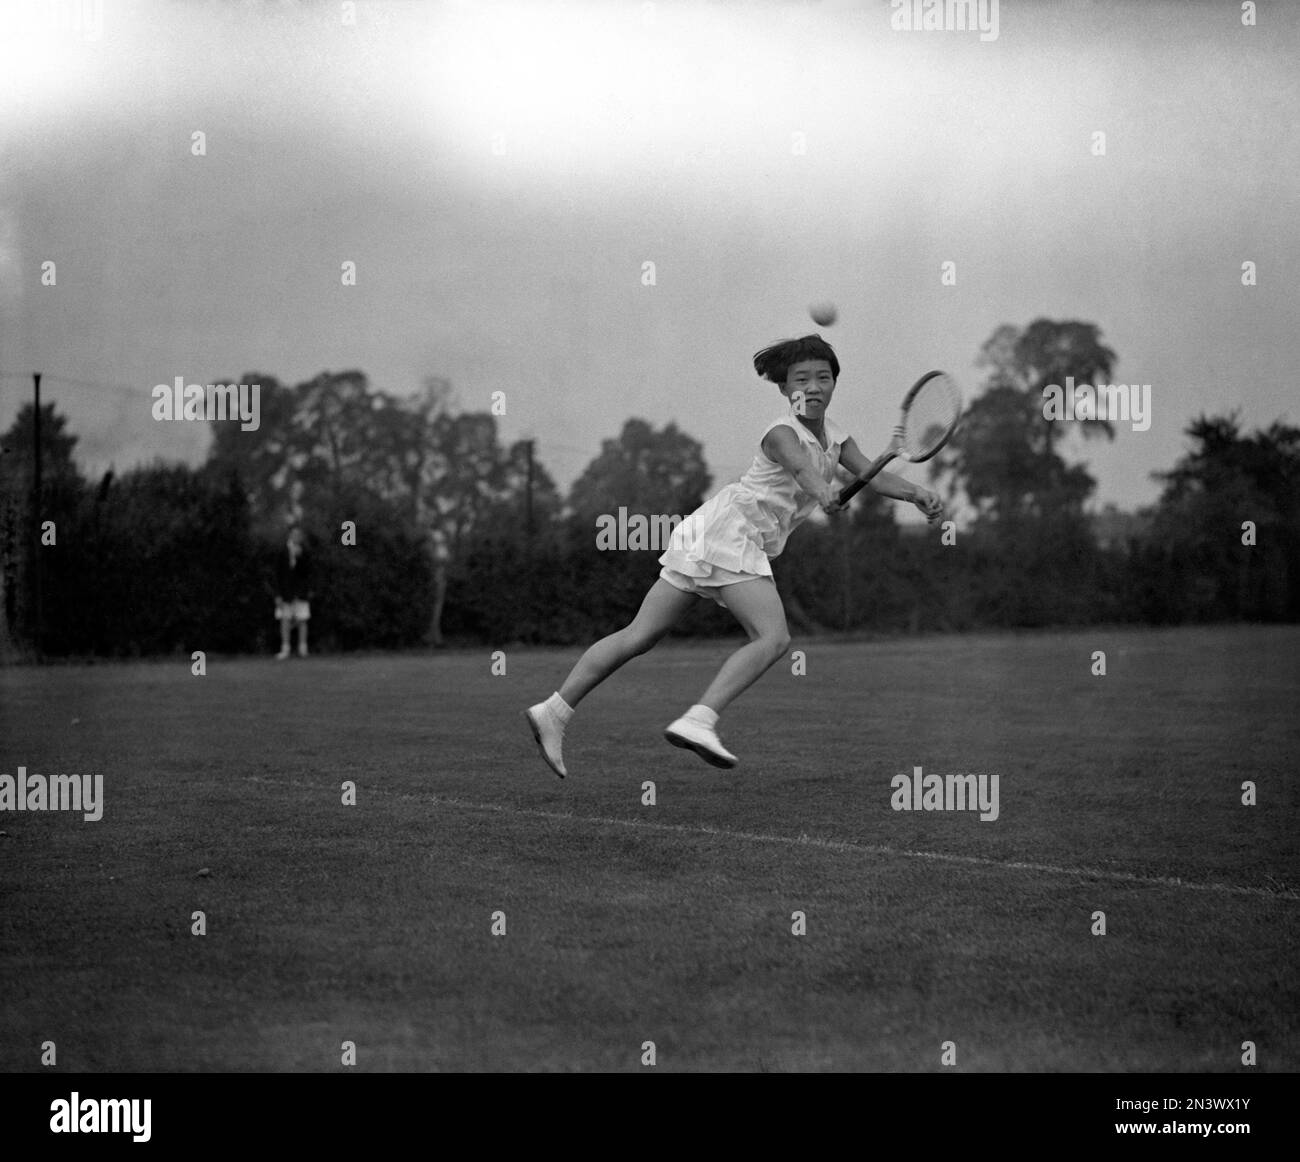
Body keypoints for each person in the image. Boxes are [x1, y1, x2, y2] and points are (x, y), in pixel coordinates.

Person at [525, 334, 944, 776]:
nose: (814, 387)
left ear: (835, 383)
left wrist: (917, 493)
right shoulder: (781, 433)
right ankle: (699, 719)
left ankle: (553, 710)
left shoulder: (838, 439)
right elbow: (801, 468)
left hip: (712, 533)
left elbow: (873, 477)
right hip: (732, 533)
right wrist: (823, 491)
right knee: (773, 638)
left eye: (824, 377)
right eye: (802, 379)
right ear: (785, 389)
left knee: (639, 635)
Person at [274, 526, 313, 659]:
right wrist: (278, 594)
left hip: (300, 591)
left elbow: (307, 572)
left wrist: (300, 557)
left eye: (299, 534)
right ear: (289, 535)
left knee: (302, 620)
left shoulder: (305, 551)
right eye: (294, 534)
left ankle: (303, 648)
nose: (297, 537)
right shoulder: (282, 551)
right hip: (285, 592)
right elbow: (277, 574)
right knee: (285, 619)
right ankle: (285, 649)